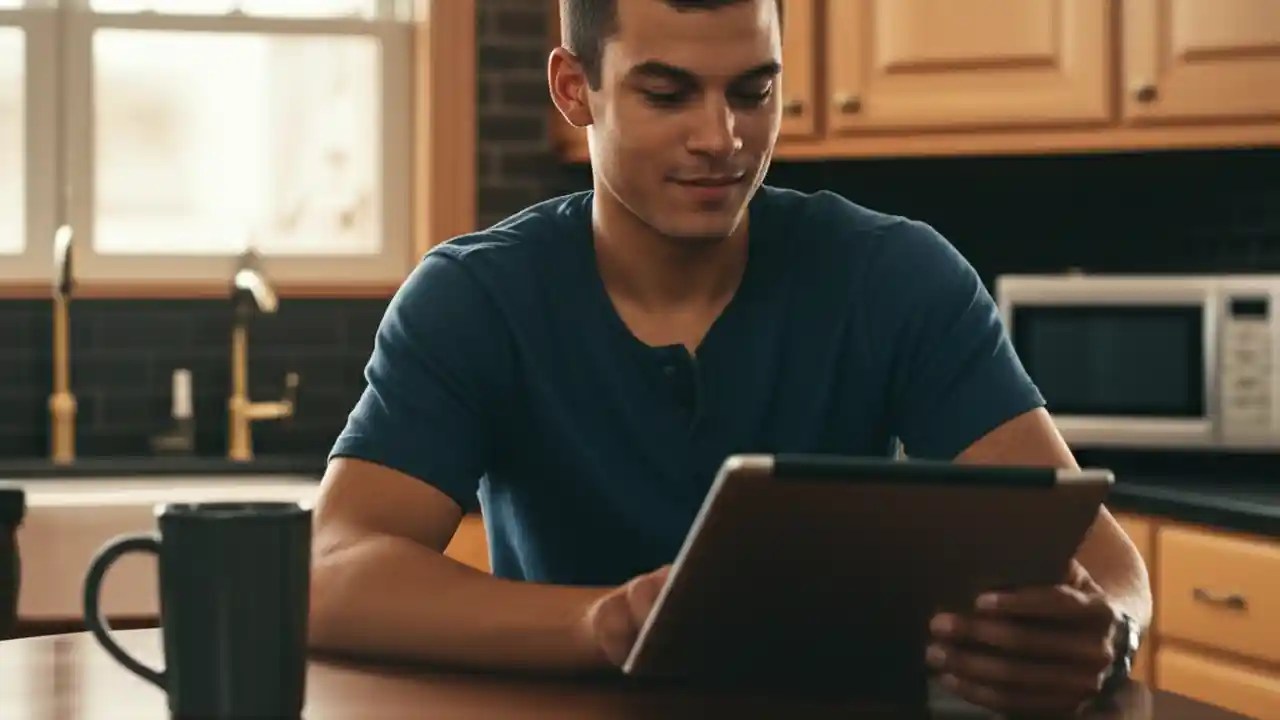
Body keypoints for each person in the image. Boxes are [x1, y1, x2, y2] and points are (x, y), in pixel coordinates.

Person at [308, 0, 1153, 714]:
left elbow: (1109, 562)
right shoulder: (473, 299)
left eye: (754, 91)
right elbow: (329, 571)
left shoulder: (898, 275)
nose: (723, 138)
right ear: (577, 91)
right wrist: (600, 623)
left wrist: (1107, 631)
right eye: (668, 94)